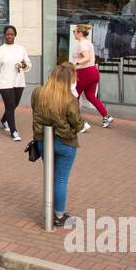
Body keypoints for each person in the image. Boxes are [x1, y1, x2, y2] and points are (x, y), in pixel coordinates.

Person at [31, 62, 83, 228]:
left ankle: (51, 211)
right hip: (65, 142)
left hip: (43, 140)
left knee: (50, 176)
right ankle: (59, 215)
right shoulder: (70, 99)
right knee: (61, 179)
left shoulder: (38, 93)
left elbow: (35, 111)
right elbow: (77, 124)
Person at [0, 24, 30, 140]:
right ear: (4, 36)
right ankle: (13, 131)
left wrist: (24, 65)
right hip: (5, 83)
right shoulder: (0, 51)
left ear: (15, 35)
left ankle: (4, 119)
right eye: (7, 34)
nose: (9, 36)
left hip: (18, 81)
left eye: (11, 34)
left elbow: (28, 64)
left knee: (14, 105)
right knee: (10, 105)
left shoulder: (21, 49)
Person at [70, 23, 111, 129]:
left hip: (84, 72)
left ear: (79, 33)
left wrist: (76, 63)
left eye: (74, 31)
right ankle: (106, 116)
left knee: (74, 96)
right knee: (90, 96)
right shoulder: (87, 42)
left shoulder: (82, 44)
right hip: (93, 71)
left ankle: (76, 120)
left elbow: (86, 57)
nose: (73, 33)